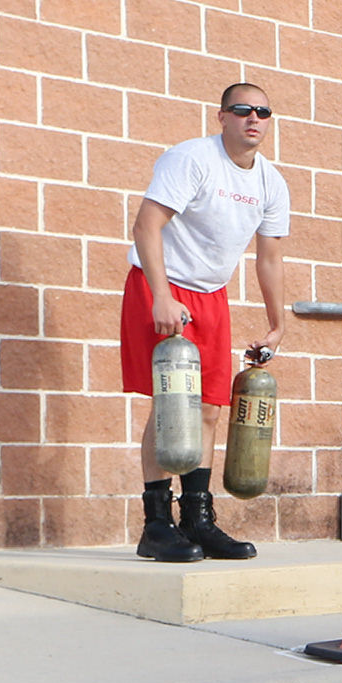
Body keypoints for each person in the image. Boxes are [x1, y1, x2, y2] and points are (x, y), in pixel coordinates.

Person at [123, 82, 290, 562]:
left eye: (263, 112)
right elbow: (146, 225)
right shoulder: (192, 159)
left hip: (212, 295)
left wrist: (277, 324)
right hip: (161, 283)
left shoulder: (271, 182)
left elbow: (269, 258)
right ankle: (156, 526)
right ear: (222, 117)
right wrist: (161, 296)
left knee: (211, 409)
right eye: (242, 110)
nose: (253, 118)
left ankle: (197, 518)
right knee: (171, 405)